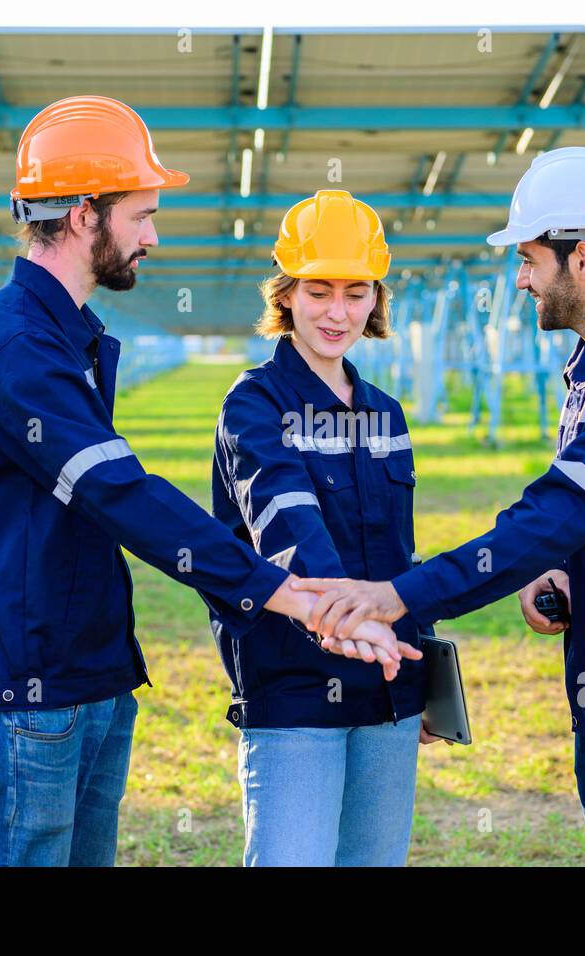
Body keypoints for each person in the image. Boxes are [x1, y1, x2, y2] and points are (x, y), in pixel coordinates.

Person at [0, 97, 411, 867]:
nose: (152, 234)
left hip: (80, 672)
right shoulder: (20, 349)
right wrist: (286, 593)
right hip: (28, 682)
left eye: (357, 291)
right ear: (85, 215)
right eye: (143, 213)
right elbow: (124, 495)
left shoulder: (60, 336)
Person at [295, 147, 585, 867]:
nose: (518, 280)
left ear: (580, 259)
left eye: (527, 260)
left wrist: (397, 595)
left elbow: (556, 514)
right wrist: (565, 579)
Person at [209, 189, 435, 866]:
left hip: (388, 686)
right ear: (286, 295)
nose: (338, 312)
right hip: (295, 687)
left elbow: (401, 553)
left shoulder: (386, 413)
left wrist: (422, 676)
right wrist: (353, 621)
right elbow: (284, 517)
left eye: (356, 291)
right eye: (318, 290)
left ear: (376, 299)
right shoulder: (254, 403)